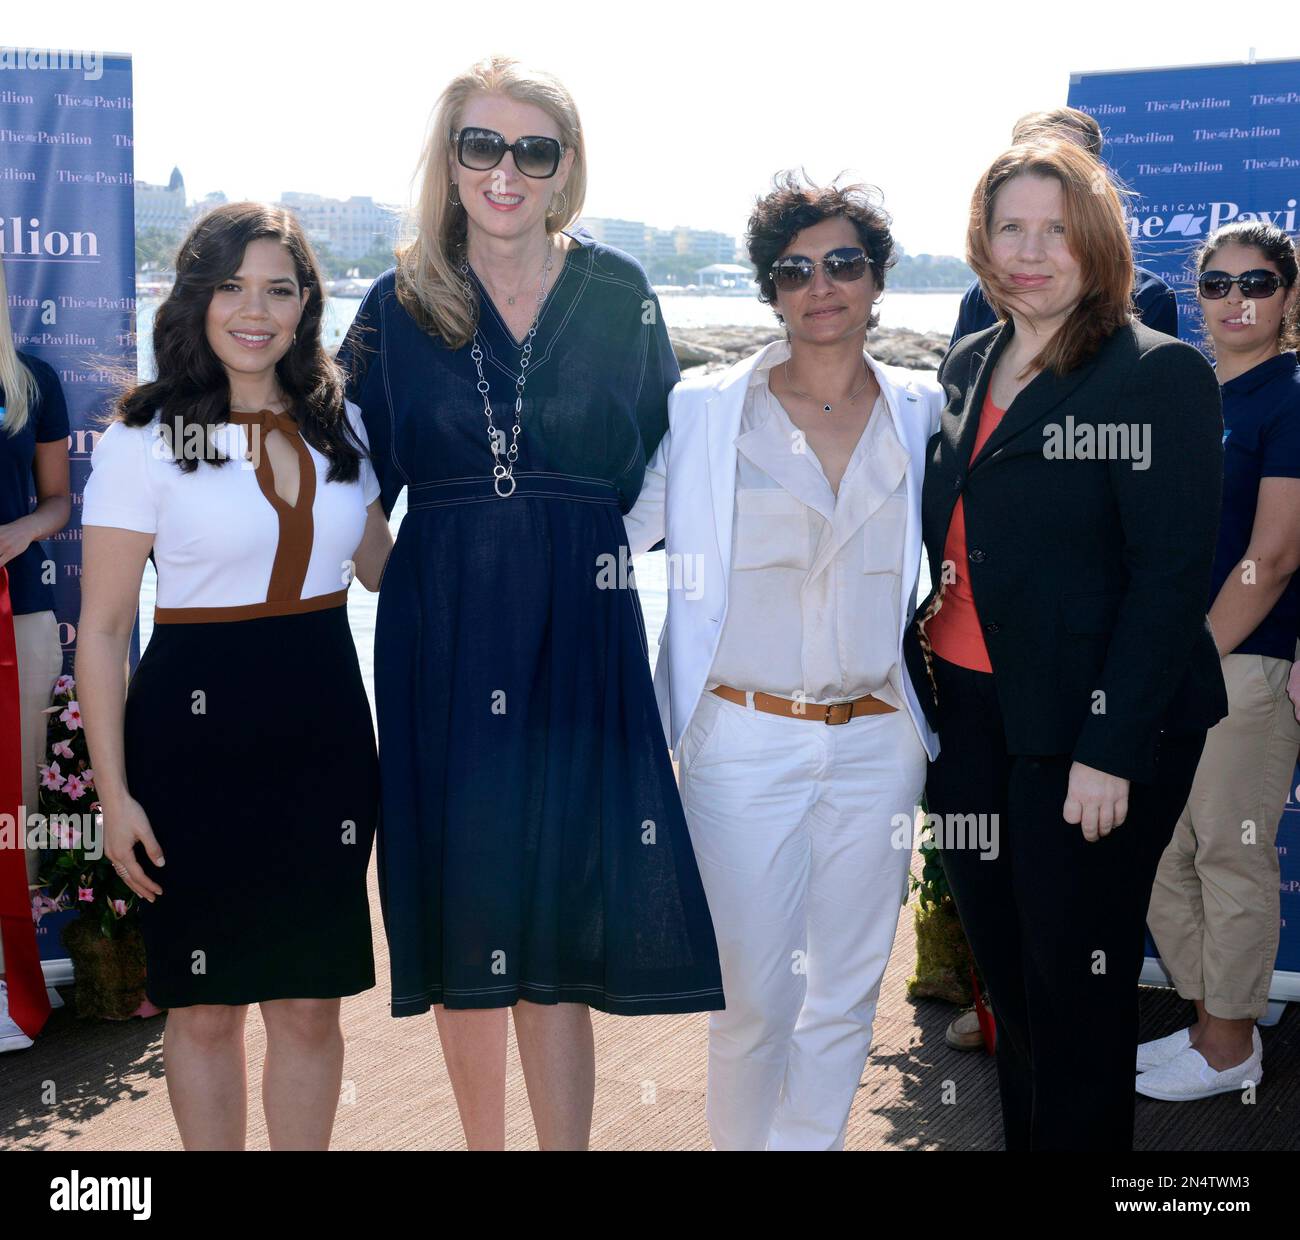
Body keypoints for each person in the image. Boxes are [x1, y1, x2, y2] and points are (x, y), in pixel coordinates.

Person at [337, 55, 723, 1152]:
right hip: (444, 638)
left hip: (579, 634)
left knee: (560, 913)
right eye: (481, 146)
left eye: (532, 150)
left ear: (564, 170)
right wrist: (391, 571)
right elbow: (348, 478)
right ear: (449, 163)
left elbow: (670, 463)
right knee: (472, 917)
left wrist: (603, 552)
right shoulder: (395, 301)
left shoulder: (618, 292)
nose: (505, 170)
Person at [910, 139, 1227, 1151]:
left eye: (1056, 229)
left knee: (1077, 993)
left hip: (1089, 733)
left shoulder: (1157, 374)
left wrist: (1109, 747)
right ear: (983, 242)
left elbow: (1170, 578)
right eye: (1011, 228)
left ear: (1097, 244)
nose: (1033, 251)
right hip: (966, 722)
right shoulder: (965, 362)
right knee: (1010, 986)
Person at [624, 174, 943, 1150]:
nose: (821, 284)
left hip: (877, 741)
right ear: (770, 289)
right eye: (795, 268)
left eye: (843, 262)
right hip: (740, 740)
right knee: (753, 996)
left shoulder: (924, 411)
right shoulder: (705, 413)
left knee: (845, 993)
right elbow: (612, 537)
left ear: (877, 278)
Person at [78, 203, 390, 1149]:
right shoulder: (142, 440)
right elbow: (100, 632)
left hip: (326, 744)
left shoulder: (346, 426)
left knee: (309, 1008)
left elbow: (390, 573)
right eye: (232, 287)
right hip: (192, 749)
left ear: (305, 307)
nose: (255, 310)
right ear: (197, 300)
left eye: (279, 289)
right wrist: (112, 794)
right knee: (204, 1010)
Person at [1138, 222, 1300, 1101]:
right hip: (1173, 663)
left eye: (1260, 281)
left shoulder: (1291, 399)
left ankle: (1232, 1044)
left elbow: (1271, 557)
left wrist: (1189, 657)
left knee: (1229, 855)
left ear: (1289, 295)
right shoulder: (1193, 395)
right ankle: (1208, 1026)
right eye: (1216, 282)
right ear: (1196, 295)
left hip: (1241, 661)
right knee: (1169, 849)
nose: (1237, 298)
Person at [0, 257, 70, 1054]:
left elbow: (58, 500)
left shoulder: (32, 380)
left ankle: (7, 986)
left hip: (20, 617)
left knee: (10, 811)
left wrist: (23, 531)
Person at [948, 108, 1177, 349]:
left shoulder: (1148, 298)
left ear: (1098, 177)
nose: (1031, 253)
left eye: (1068, 159)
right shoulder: (980, 298)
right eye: (1012, 227)